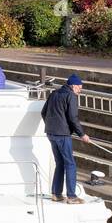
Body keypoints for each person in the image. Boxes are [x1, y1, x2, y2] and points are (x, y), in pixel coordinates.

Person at [40, 73, 90, 204]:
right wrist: (82, 134)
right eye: (79, 87)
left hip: (51, 134)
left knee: (60, 163)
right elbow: (73, 118)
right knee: (70, 164)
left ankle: (56, 194)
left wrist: (51, 126)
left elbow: (43, 112)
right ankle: (72, 196)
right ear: (73, 86)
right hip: (62, 135)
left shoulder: (54, 94)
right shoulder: (71, 96)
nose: (80, 90)